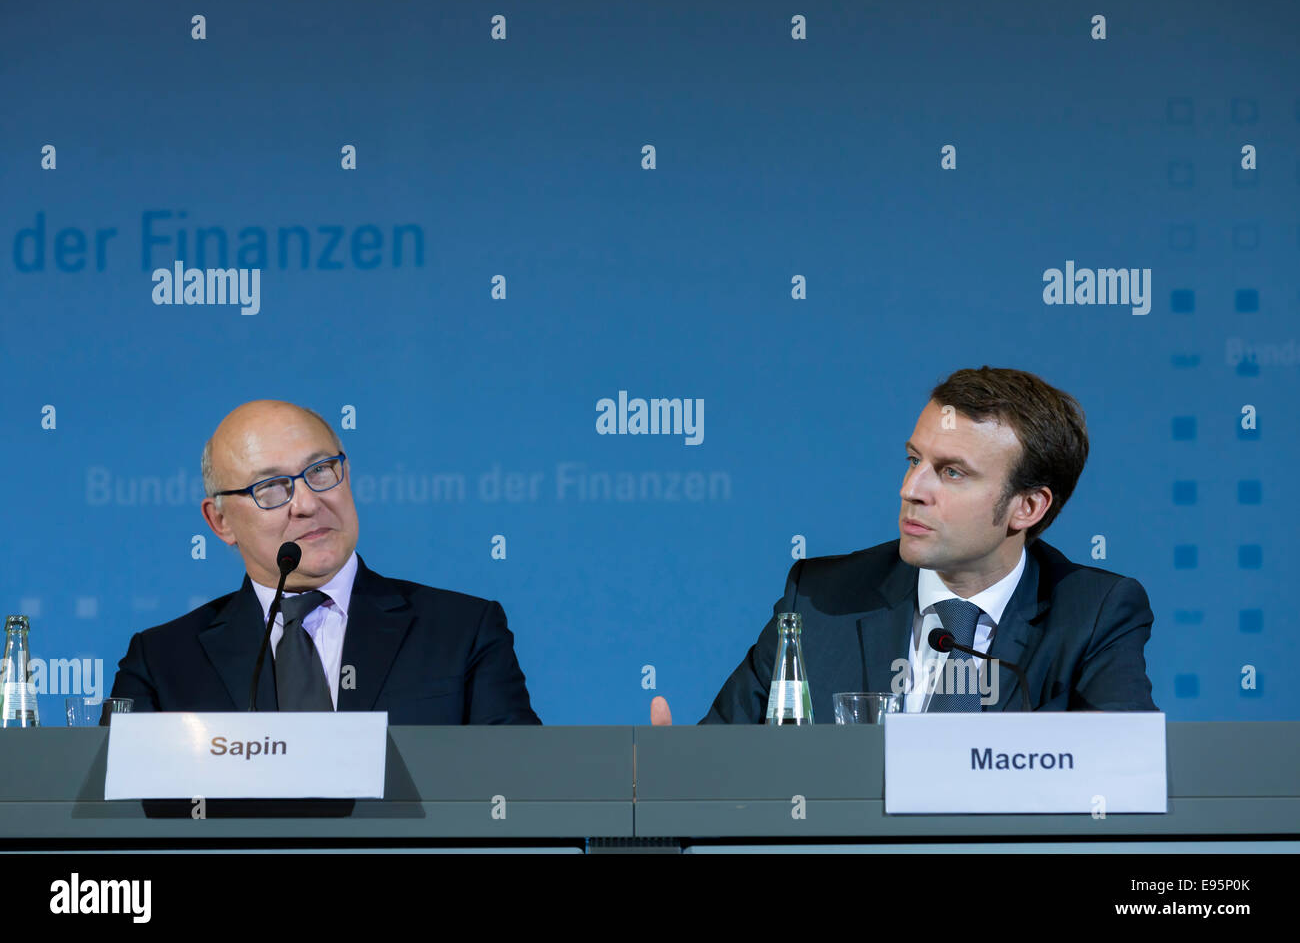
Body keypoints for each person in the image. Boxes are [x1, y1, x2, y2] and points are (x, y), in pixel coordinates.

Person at [650, 366, 1157, 725]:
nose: (911, 489)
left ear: (1027, 508)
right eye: (914, 460)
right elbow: (725, 769)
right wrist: (678, 782)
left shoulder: (1093, 614)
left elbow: (1124, 781)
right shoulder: (821, 599)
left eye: (952, 473)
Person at [110, 400, 540, 724]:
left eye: (320, 470)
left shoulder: (463, 631)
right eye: (272, 487)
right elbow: (117, 825)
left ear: (346, 474)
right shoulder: (162, 661)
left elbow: (524, 799)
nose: (307, 503)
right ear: (220, 522)